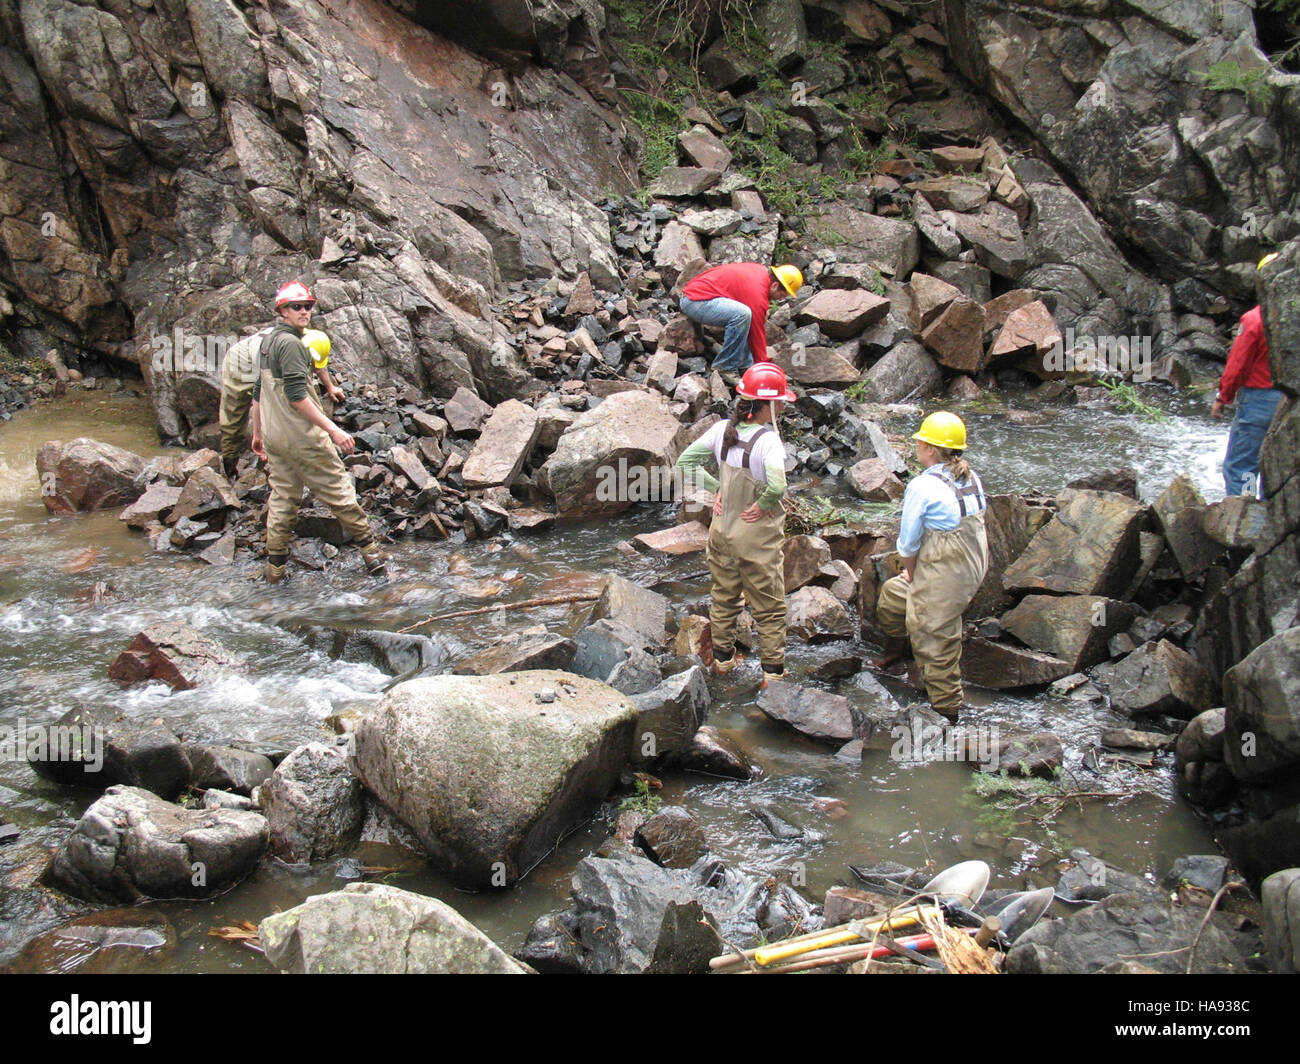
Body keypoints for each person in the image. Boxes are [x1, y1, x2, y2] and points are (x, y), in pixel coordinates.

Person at [249, 281, 387, 583]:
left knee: (284, 498)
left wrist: (258, 433)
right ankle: (372, 554)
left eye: (307, 306)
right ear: (282, 311)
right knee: (338, 490)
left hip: (275, 438)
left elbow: (258, 392)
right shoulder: (293, 345)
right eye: (296, 307)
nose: (303, 311)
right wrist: (334, 429)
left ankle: (275, 569)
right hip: (303, 438)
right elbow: (298, 397)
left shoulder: (266, 342)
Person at [675, 362, 795, 686]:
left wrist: (718, 490)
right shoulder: (768, 441)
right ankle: (773, 675)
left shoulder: (721, 430)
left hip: (721, 530)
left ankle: (723, 663)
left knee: (724, 597)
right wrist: (763, 505)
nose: (783, 406)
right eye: (780, 401)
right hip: (755, 537)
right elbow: (778, 486)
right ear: (766, 404)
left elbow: (684, 462)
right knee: (769, 607)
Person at [872, 411, 989, 720]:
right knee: (894, 596)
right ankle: (900, 657)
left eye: (920, 442)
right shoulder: (971, 476)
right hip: (970, 566)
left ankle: (948, 712)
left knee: (935, 637)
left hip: (947, 573)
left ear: (930, 449)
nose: (917, 446)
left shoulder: (922, 487)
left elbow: (907, 545)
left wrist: (911, 569)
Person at [219, 326, 343, 479]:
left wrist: (331, 387)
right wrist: (258, 435)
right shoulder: (278, 354)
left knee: (294, 396)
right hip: (239, 364)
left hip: (267, 357)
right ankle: (229, 469)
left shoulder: (310, 340)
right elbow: (259, 393)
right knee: (234, 418)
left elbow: (318, 365)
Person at [1211, 255, 1285, 497]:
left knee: (1241, 466)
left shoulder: (1254, 319)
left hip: (1259, 402)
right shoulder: (1290, 318)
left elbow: (1238, 365)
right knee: (1280, 468)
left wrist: (1223, 396)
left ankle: (1244, 523)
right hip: (1289, 403)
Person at [679, 262, 803, 379]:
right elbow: (756, 334)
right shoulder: (758, 295)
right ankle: (725, 366)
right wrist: (763, 364)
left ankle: (745, 364)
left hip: (696, 294)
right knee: (743, 315)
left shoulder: (760, 272)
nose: (779, 299)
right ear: (775, 286)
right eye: (782, 295)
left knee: (748, 316)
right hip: (694, 302)